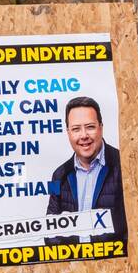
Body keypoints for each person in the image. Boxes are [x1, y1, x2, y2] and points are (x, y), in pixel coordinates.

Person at [44, 95, 127, 246]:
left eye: (90, 127)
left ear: (101, 127)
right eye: (76, 129)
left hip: (112, 265)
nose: (84, 136)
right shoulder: (57, 175)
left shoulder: (124, 167)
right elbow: (50, 226)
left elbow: (135, 228)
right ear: (68, 132)